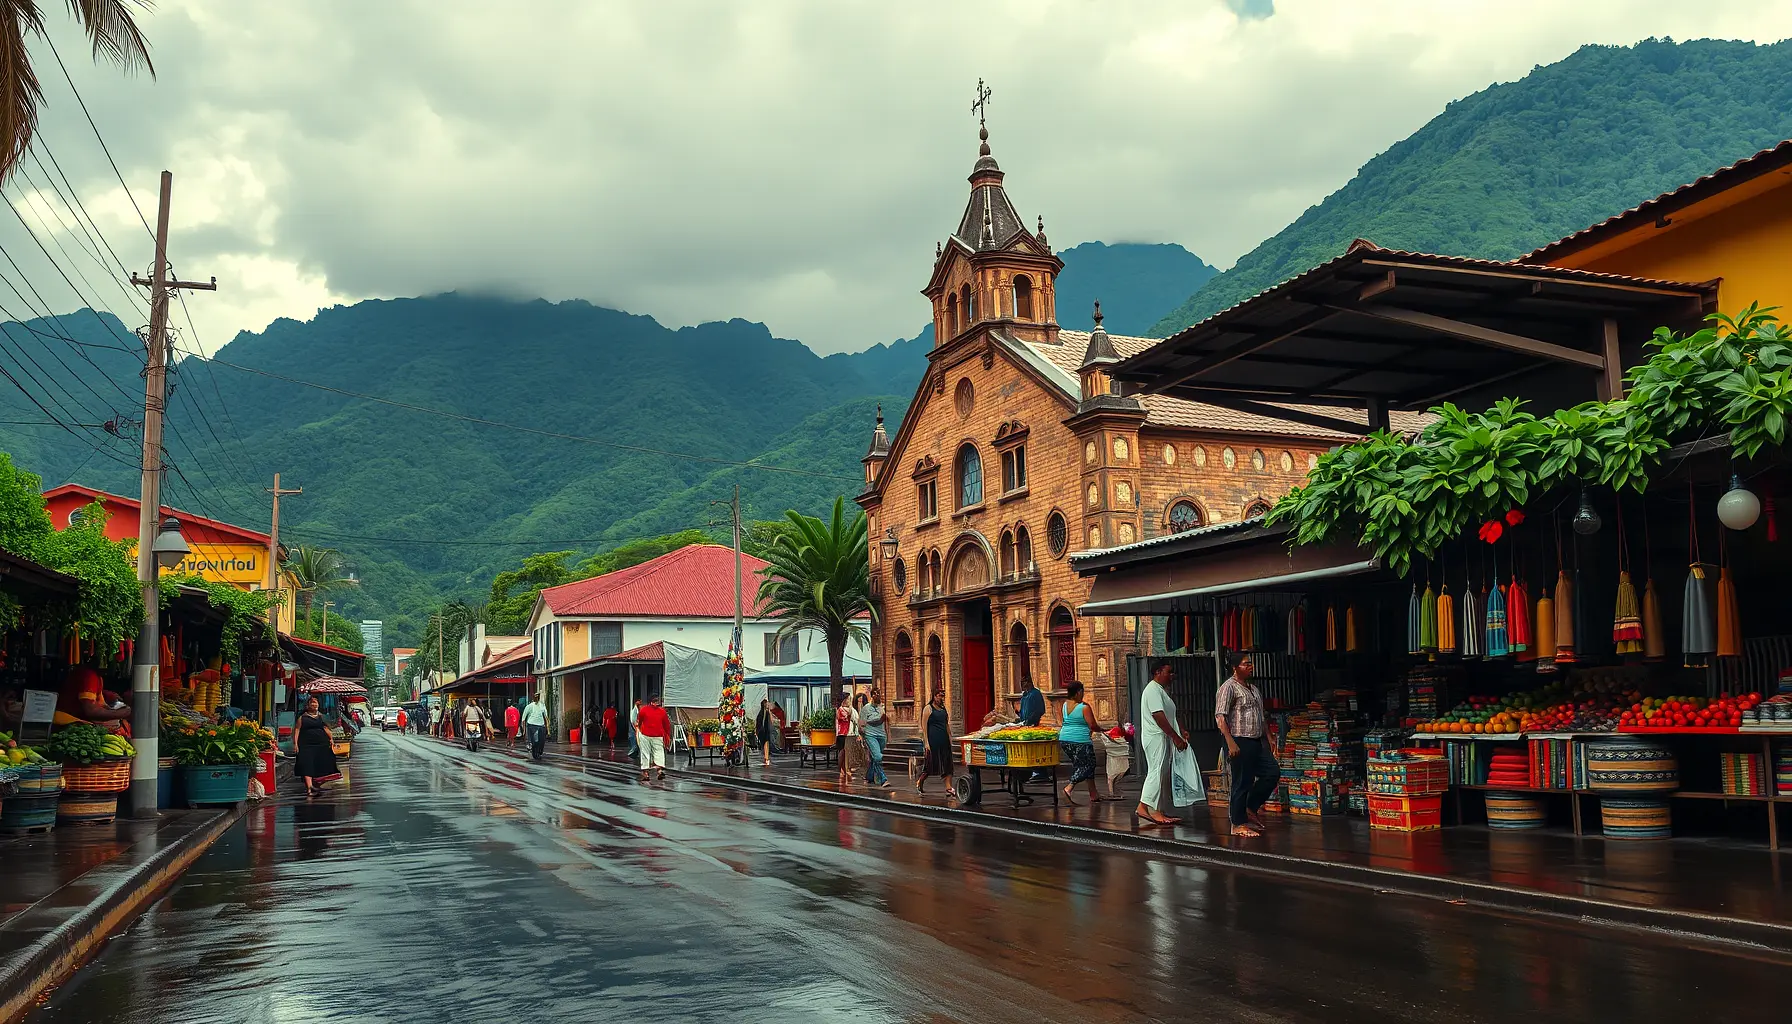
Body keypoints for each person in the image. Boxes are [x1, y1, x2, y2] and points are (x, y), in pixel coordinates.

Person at [1216, 654, 1278, 838]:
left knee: (1272, 772)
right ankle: (1237, 823)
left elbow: (1261, 715)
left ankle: (1250, 807)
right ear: (1235, 667)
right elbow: (1220, 717)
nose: (1250, 666)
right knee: (1242, 782)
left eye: (1250, 663)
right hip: (1239, 740)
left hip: (1256, 740)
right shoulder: (1228, 688)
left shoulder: (1253, 689)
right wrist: (1230, 742)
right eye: (1246, 664)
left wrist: (1269, 737)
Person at [1135, 660, 1183, 827]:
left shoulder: (1161, 691)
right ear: (1157, 672)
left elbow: (1170, 714)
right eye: (1168, 672)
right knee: (1156, 771)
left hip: (1162, 736)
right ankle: (1144, 806)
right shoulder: (1153, 690)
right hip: (1156, 737)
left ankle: (1157, 810)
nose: (1172, 675)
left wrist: (1180, 731)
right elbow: (1159, 716)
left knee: (1162, 774)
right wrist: (1175, 737)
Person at [1058, 681, 1104, 805]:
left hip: (1065, 739)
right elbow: (1092, 725)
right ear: (1078, 692)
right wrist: (1103, 730)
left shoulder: (1064, 705)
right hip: (1080, 740)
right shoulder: (1084, 707)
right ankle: (1069, 788)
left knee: (1083, 764)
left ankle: (1093, 793)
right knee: (1088, 765)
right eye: (1082, 691)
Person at [295, 695, 339, 797]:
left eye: (316, 703)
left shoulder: (321, 717)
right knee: (306, 764)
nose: (314, 705)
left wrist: (331, 739)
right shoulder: (302, 718)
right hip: (306, 744)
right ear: (308, 705)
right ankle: (309, 787)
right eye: (312, 703)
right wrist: (295, 744)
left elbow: (326, 729)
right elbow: (297, 730)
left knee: (320, 764)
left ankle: (316, 784)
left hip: (321, 744)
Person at [915, 690, 952, 793]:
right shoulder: (928, 708)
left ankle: (948, 787)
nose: (942, 698)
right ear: (935, 696)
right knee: (931, 764)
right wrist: (926, 742)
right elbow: (924, 726)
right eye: (940, 696)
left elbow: (946, 724)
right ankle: (920, 781)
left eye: (943, 696)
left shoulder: (943, 709)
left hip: (944, 739)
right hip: (932, 740)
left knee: (947, 764)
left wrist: (950, 737)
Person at [1017, 673, 1049, 782]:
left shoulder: (1036, 694)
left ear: (1029, 682)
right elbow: (1023, 710)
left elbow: (1040, 710)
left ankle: (1040, 772)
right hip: (1024, 725)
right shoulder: (1025, 695)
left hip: (1033, 726)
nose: (1023, 685)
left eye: (1024, 682)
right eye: (1022, 683)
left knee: (1035, 750)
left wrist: (1031, 720)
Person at [635, 695, 672, 780]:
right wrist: (668, 735)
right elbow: (667, 725)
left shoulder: (643, 710)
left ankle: (646, 773)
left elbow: (640, 721)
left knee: (645, 753)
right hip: (658, 735)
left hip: (645, 734)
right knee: (659, 752)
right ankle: (659, 771)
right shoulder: (662, 711)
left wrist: (639, 729)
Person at [861, 687, 890, 789]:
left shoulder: (881, 707)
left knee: (875, 757)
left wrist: (888, 735)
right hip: (870, 735)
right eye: (876, 694)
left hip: (881, 735)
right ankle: (883, 779)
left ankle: (869, 776)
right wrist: (863, 737)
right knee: (878, 756)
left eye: (879, 694)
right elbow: (862, 724)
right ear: (872, 696)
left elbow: (886, 722)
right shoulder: (866, 708)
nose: (878, 696)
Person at [835, 693, 858, 787]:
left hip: (849, 733)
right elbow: (846, 717)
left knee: (847, 752)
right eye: (848, 699)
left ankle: (846, 769)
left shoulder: (851, 709)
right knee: (842, 752)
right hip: (842, 733)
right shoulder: (840, 710)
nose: (850, 701)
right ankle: (841, 768)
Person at [521, 691, 550, 762]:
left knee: (542, 741)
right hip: (532, 725)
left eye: (538, 697)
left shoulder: (542, 706)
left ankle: (539, 752)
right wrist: (524, 730)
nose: (536, 698)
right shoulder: (529, 706)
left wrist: (548, 729)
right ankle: (535, 753)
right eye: (535, 697)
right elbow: (523, 718)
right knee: (535, 741)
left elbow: (546, 717)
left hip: (541, 726)